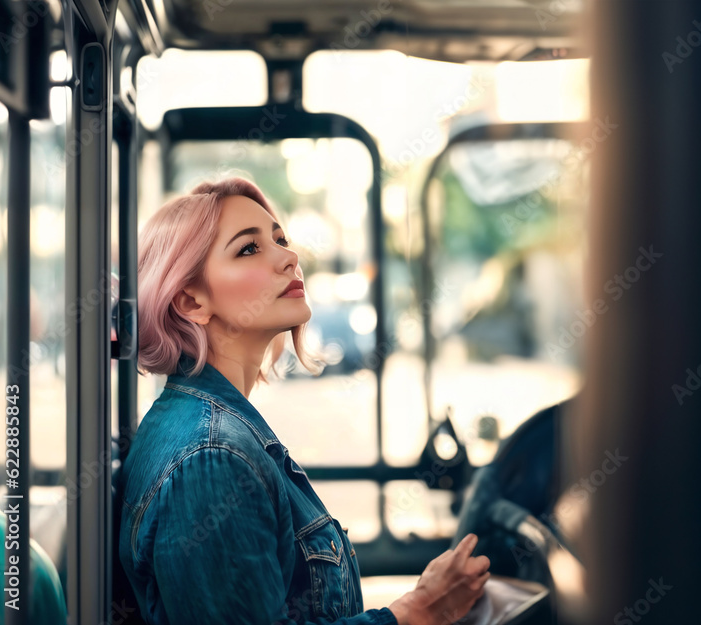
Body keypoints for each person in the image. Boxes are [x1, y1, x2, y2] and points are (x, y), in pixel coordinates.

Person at [118, 177, 490, 624]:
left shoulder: (210, 426)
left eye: (280, 239)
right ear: (191, 301)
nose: (289, 257)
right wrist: (416, 612)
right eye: (249, 249)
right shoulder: (212, 458)